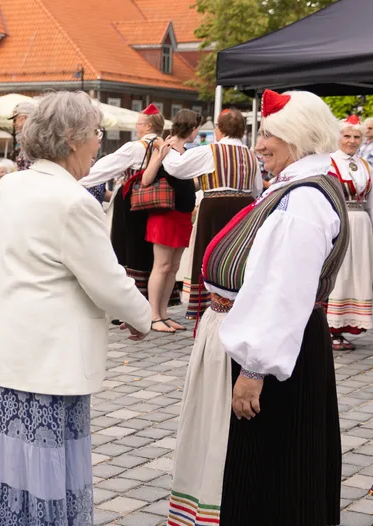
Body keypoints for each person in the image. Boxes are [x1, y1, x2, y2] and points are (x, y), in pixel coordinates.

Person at [168, 90, 348, 526]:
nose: (259, 144)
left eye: (269, 134)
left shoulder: (303, 199)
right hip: (272, 348)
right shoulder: (294, 185)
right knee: (271, 465)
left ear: (299, 137)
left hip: (274, 358)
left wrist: (253, 371)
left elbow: (284, 291)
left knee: (267, 468)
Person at [0, 91, 151, 524]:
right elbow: (108, 282)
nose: (98, 144)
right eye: (95, 133)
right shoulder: (74, 202)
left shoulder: (13, 183)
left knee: (7, 466)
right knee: (45, 469)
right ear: (72, 138)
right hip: (49, 361)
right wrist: (144, 317)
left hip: (4, 350)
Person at [164, 109, 261, 321]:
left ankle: (206, 303)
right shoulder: (251, 155)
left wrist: (170, 148)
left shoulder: (210, 151)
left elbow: (176, 168)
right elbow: (257, 189)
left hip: (214, 207)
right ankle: (237, 298)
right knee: (238, 254)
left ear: (219, 129)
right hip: (243, 208)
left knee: (208, 252)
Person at [79, 104, 178, 306]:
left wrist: (77, 180)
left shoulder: (135, 147)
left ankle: (128, 302)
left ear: (149, 126)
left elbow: (104, 169)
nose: (136, 126)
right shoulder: (169, 148)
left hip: (132, 202)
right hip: (160, 205)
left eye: (139, 123)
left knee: (125, 249)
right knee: (151, 252)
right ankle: (153, 302)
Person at [325, 115, 373, 350]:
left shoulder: (365, 165)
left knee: (356, 274)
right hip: (337, 223)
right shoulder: (328, 162)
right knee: (338, 274)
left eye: (357, 137)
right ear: (338, 136)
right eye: (347, 136)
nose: (352, 141)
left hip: (360, 225)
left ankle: (343, 328)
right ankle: (329, 328)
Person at [137, 110, 202, 333]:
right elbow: (146, 179)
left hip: (182, 214)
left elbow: (183, 183)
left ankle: (163, 313)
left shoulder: (184, 151)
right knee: (162, 266)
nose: (198, 132)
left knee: (173, 268)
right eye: (197, 128)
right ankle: (154, 316)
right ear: (192, 128)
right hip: (165, 215)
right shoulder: (166, 146)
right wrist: (159, 156)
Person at [10, 101, 35, 172]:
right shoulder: (27, 139)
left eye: (15, 120)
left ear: (24, 118)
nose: (14, 124)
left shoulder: (33, 141)